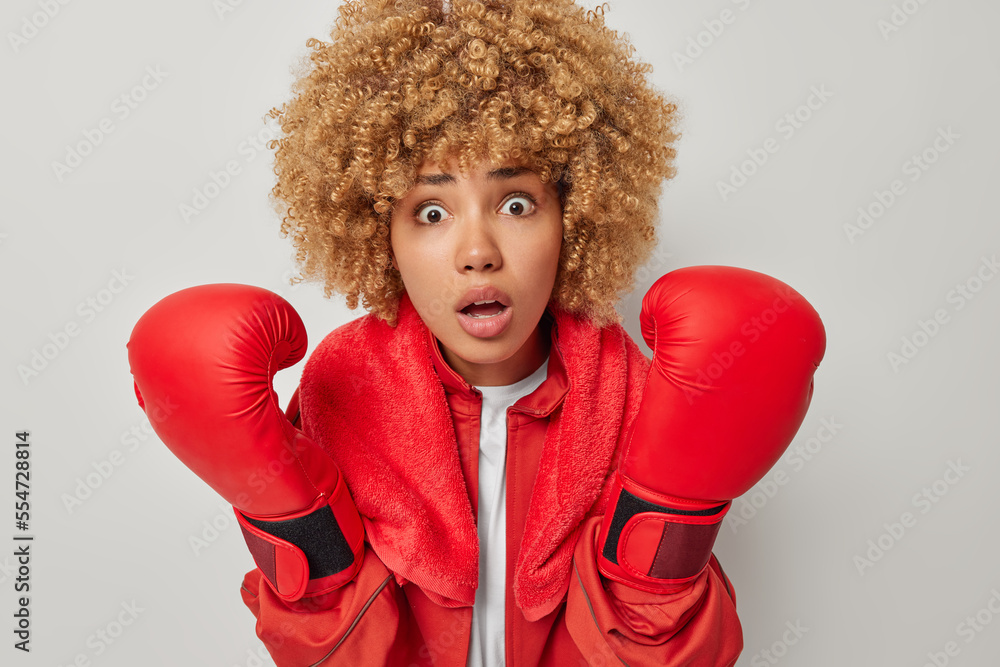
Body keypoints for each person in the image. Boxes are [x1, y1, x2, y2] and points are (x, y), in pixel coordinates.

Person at [127, 1, 826, 665]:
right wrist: (281, 516)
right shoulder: (341, 394)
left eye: (516, 202)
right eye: (431, 212)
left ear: (574, 217)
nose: (477, 250)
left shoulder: (634, 398)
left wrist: (672, 525)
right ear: (381, 235)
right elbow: (325, 651)